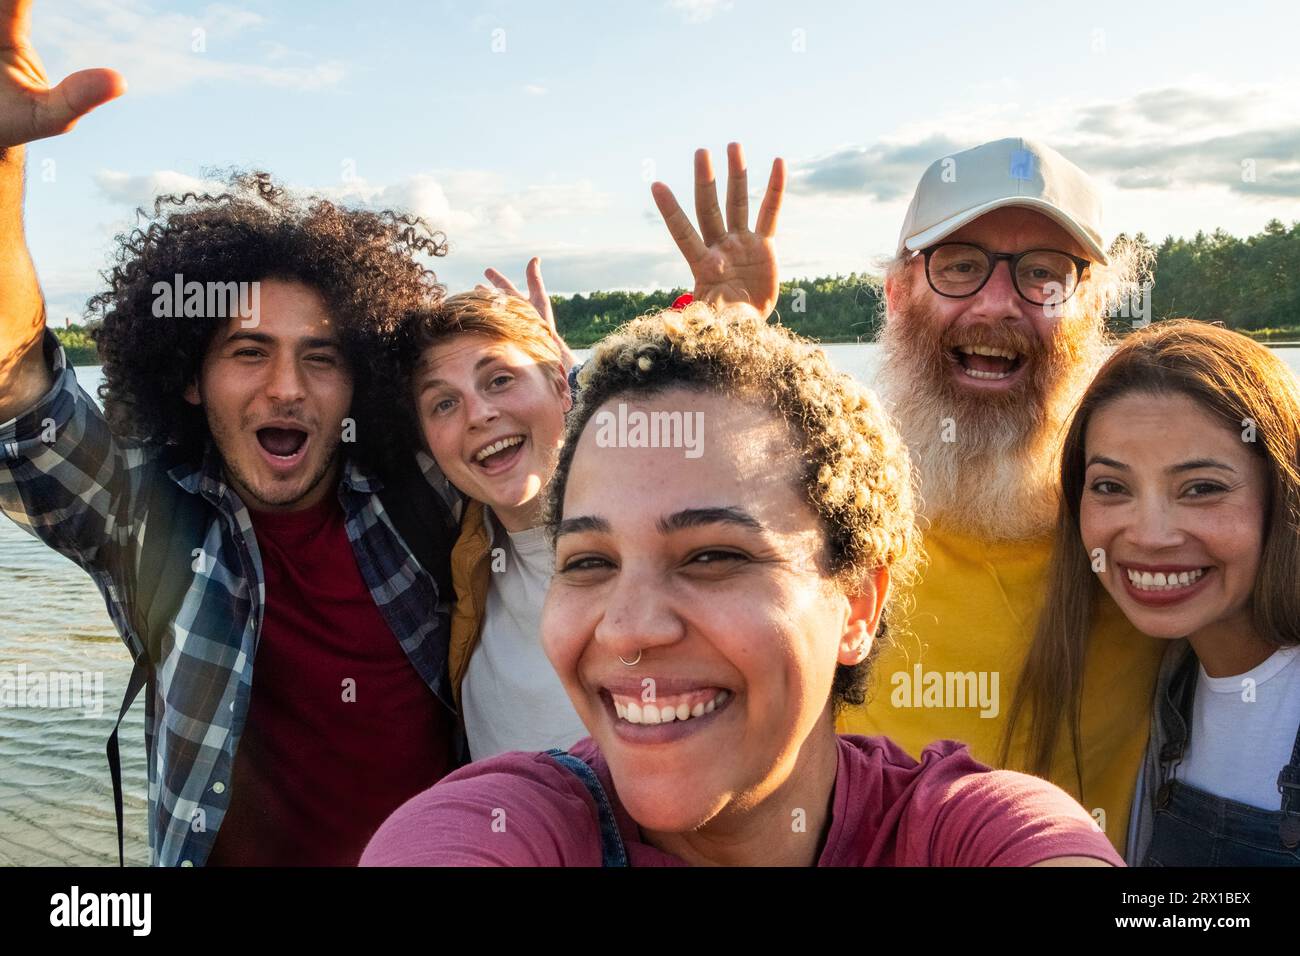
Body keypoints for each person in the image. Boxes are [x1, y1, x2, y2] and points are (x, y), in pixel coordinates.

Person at [361, 303, 1123, 867]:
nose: (628, 632)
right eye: (588, 562)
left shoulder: (968, 832)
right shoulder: (505, 824)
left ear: (857, 602)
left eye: (712, 557)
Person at [0, 0, 460, 866]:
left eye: (320, 358)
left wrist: (728, 319)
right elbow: (18, 390)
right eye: (249, 352)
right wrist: (2, 168)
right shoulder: (149, 524)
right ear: (188, 374)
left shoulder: (429, 496)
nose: (287, 387)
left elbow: (601, 480)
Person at [653, 136, 1163, 852]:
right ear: (897, 294)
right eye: (959, 266)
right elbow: (663, 499)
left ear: (1092, 312)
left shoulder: (1150, 526)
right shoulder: (825, 499)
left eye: (1044, 276)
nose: (997, 305)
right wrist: (722, 345)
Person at [406, 146, 784, 759]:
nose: (477, 414)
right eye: (442, 403)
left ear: (561, 384)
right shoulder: (459, 551)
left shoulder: (666, 510)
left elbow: (728, 454)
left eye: (500, 379)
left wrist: (728, 328)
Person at [1004, 320, 1300, 866]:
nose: (1149, 535)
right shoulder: (1165, 689)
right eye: (1112, 487)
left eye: (1202, 488)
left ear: (1280, 498)